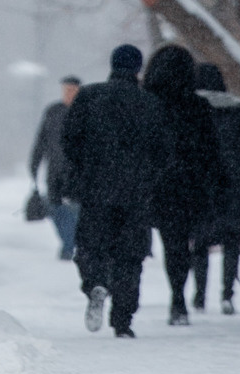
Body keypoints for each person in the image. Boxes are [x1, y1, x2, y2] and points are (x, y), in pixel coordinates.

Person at [63, 43, 166, 339]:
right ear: (138, 68)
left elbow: (70, 141)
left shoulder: (89, 96)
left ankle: (95, 283)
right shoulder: (150, 102)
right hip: (136, 194)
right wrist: (149, 179)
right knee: (130, 256)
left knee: (90, 247)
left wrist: (83, 169)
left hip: (95, 190)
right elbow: (163, 150)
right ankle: (123, 319)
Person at [143, 44, 225, 326]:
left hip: (161, 185)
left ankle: (177, 296)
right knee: (190, 241)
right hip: (193, 184)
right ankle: (189, 292)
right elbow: (211, 149)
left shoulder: (149, 105)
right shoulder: (198, 106)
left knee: (172, 242)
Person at [191, 62, 240, 315]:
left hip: (202, 184)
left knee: (200, 242)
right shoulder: (236, 110)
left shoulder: (191, 109)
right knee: (231, 241)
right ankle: (227, 295)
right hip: (235, 183)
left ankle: (199, 295)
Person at [29, 75, 82, 260]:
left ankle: (69, 246)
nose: (69, 93)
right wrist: (34, 165)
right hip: (54, 172)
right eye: (66, 89)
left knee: (74, 209)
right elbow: (41, 140)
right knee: (55, 208)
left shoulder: (85, 111)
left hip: (77, 172)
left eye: (72, 89)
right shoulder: (53, 111)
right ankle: (69, 241)